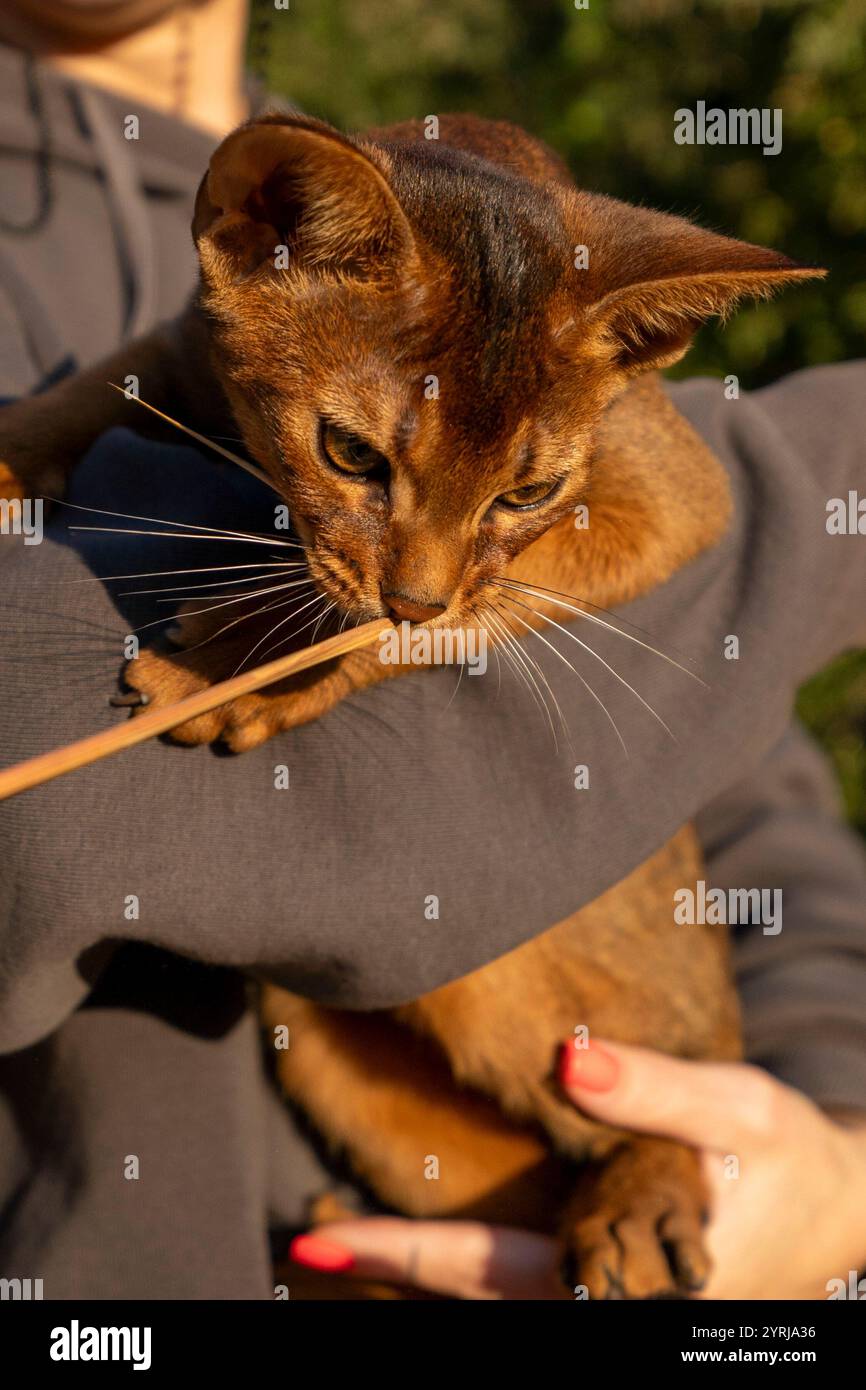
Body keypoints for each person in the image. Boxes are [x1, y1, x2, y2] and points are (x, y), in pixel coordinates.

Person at [0, 1, 865, 1301]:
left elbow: (727, 751)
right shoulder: (306, 233)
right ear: (255, 222)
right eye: (357, 457)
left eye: (517, 501)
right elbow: (71, 802)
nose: (414, 591)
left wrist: (830, 1157)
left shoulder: (500, 271)